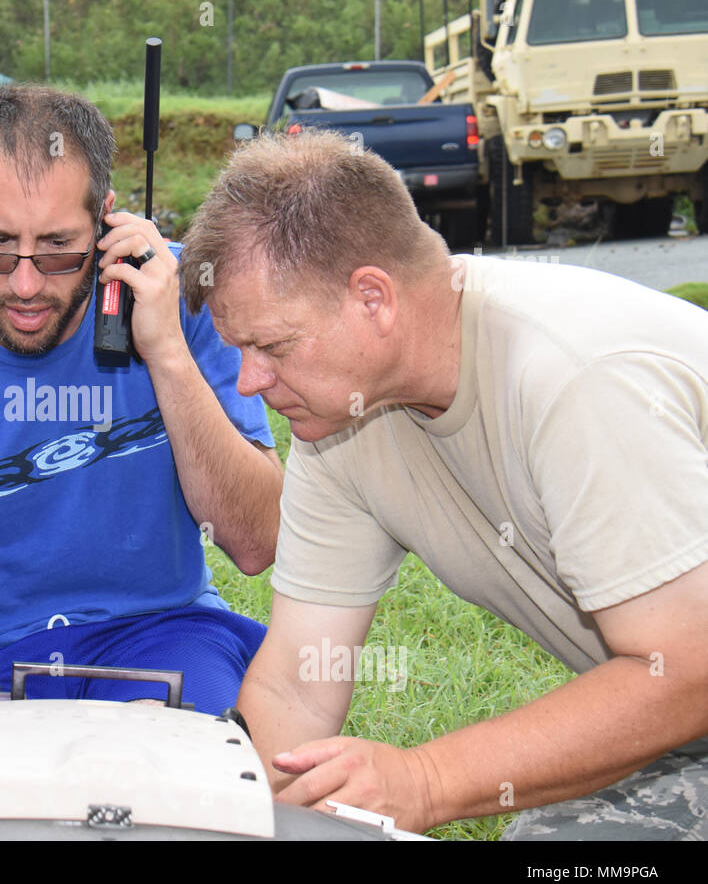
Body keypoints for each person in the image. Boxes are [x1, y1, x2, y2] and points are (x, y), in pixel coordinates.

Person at [179, 128, 708, 839]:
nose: (249, 380)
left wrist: (425, 781)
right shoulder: (338, 423)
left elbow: (685, 671)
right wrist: (207, 816)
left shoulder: (570, 377)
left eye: (272, 346)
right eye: (239, 350)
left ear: (374, 299)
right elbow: (298, 684)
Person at [0, 85, 284, 767]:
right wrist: (13, 747)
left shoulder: (180, 294)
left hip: (161, 633)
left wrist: (164, 351)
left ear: (107, 220)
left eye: (58, 248)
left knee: (172, 785)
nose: (24, 284)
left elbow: (254, 540)